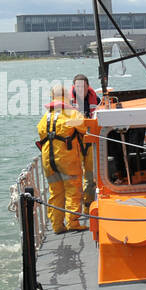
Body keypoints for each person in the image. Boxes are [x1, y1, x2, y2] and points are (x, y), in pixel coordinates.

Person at [36, 83, 88, 233]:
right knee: (73, 189)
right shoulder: (72, 114)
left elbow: (41, 134)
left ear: (52, 97)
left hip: (48, 162)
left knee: (55, 193)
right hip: (67, 160)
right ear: (67, 97)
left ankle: (57, 225)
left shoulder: (45, 117)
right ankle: (73, 222)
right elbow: (86, 129)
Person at [68, 74, 100, 211]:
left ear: (88, 86)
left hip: (90, 142)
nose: (81, 89)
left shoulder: (96, 99)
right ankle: (73, 211)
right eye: (78, 87)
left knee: (91, 177)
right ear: (74, 87)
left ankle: (88, 207)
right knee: (73, 179)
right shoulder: (67, 102)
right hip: (73, 143)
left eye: (84, 86)